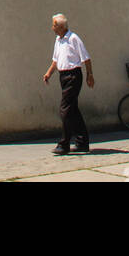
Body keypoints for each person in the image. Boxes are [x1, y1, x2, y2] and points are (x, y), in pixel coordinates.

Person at [43, 14, 93, 155]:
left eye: (54, 25)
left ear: (61, 26)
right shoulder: (58, 40)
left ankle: (64, 144)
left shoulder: (73, 39)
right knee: (73, 110)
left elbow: (86, 58)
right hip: (63, 76)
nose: (52, 28)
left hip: (73, 76)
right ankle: (82, 142)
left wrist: (90, 75)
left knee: (65, 110)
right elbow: (55, 60)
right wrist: (48, 73)